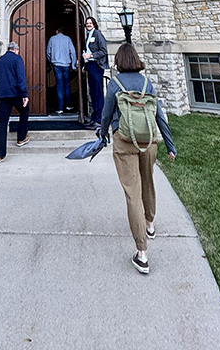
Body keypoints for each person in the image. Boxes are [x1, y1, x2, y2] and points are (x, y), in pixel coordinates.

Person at [99, 43, 177, 275]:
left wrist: (103, 134)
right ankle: (150, 224)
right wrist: (170, 145)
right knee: (148, 182)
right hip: (149, 142)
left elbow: (106, 113)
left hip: (124, 141)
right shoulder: (146, 83)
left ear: (119, 62)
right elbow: (159, 115)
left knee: (133, 193)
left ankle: (142, 253)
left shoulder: (115, 83)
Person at [0, 41, 30, 163]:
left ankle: (0, 155)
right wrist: (24, 94)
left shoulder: (0, 60)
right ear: (16, 50)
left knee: (2, 122)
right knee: (24, 109)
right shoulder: (17, 59)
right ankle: (21, 137)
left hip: (2, 94)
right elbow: (21, 77)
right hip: (15, 93)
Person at [82, 16, 108, 128]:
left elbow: (103, 50)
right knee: (92, 92)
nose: (88, 25)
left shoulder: (97, 34)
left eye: (90, 23)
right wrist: (85, 65)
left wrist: (91, 56)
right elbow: (87, 51)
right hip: (90, 65)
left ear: (94, 24)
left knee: (98, 92)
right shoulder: (89, 35)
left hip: (97, 66)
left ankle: (100, 120)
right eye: (87, 23)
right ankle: (94, 118)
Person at [46, 27, 76, 113]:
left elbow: (48, 52)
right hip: (66, 64)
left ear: (56, 31)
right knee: (66, 85)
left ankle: (60, 108)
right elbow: (73, 52)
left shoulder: (52, 39)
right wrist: (73, 65)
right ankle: (68, 105)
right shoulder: (68, 39)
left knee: (59, 85)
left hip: (57, 65)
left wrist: (51, 61)